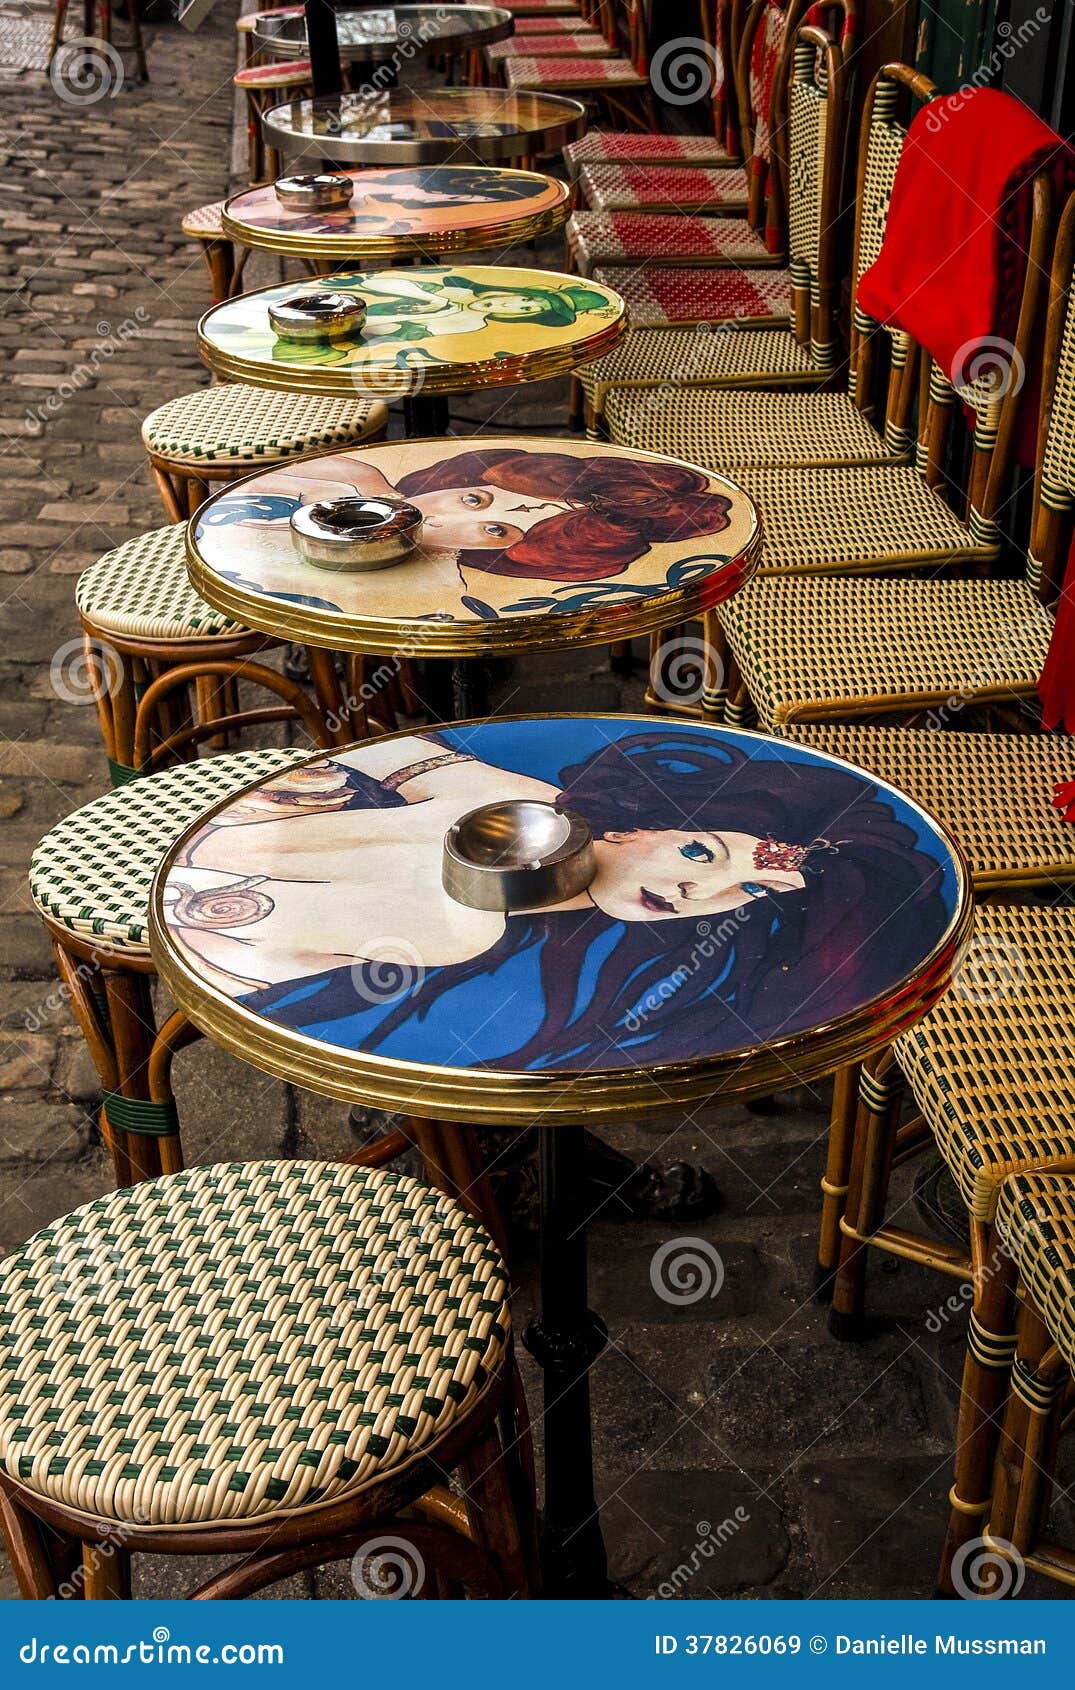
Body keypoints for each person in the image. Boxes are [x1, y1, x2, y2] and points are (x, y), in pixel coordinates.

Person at [163, 726, 954, 1072]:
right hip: (180, 843)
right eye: (700, 852)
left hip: (198, 883)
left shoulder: (462, 943)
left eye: (746, 893)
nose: (696, 890)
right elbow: (397, 757)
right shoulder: (532, 806)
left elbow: (211, 915)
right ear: (647, 825)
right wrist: (315, 790)